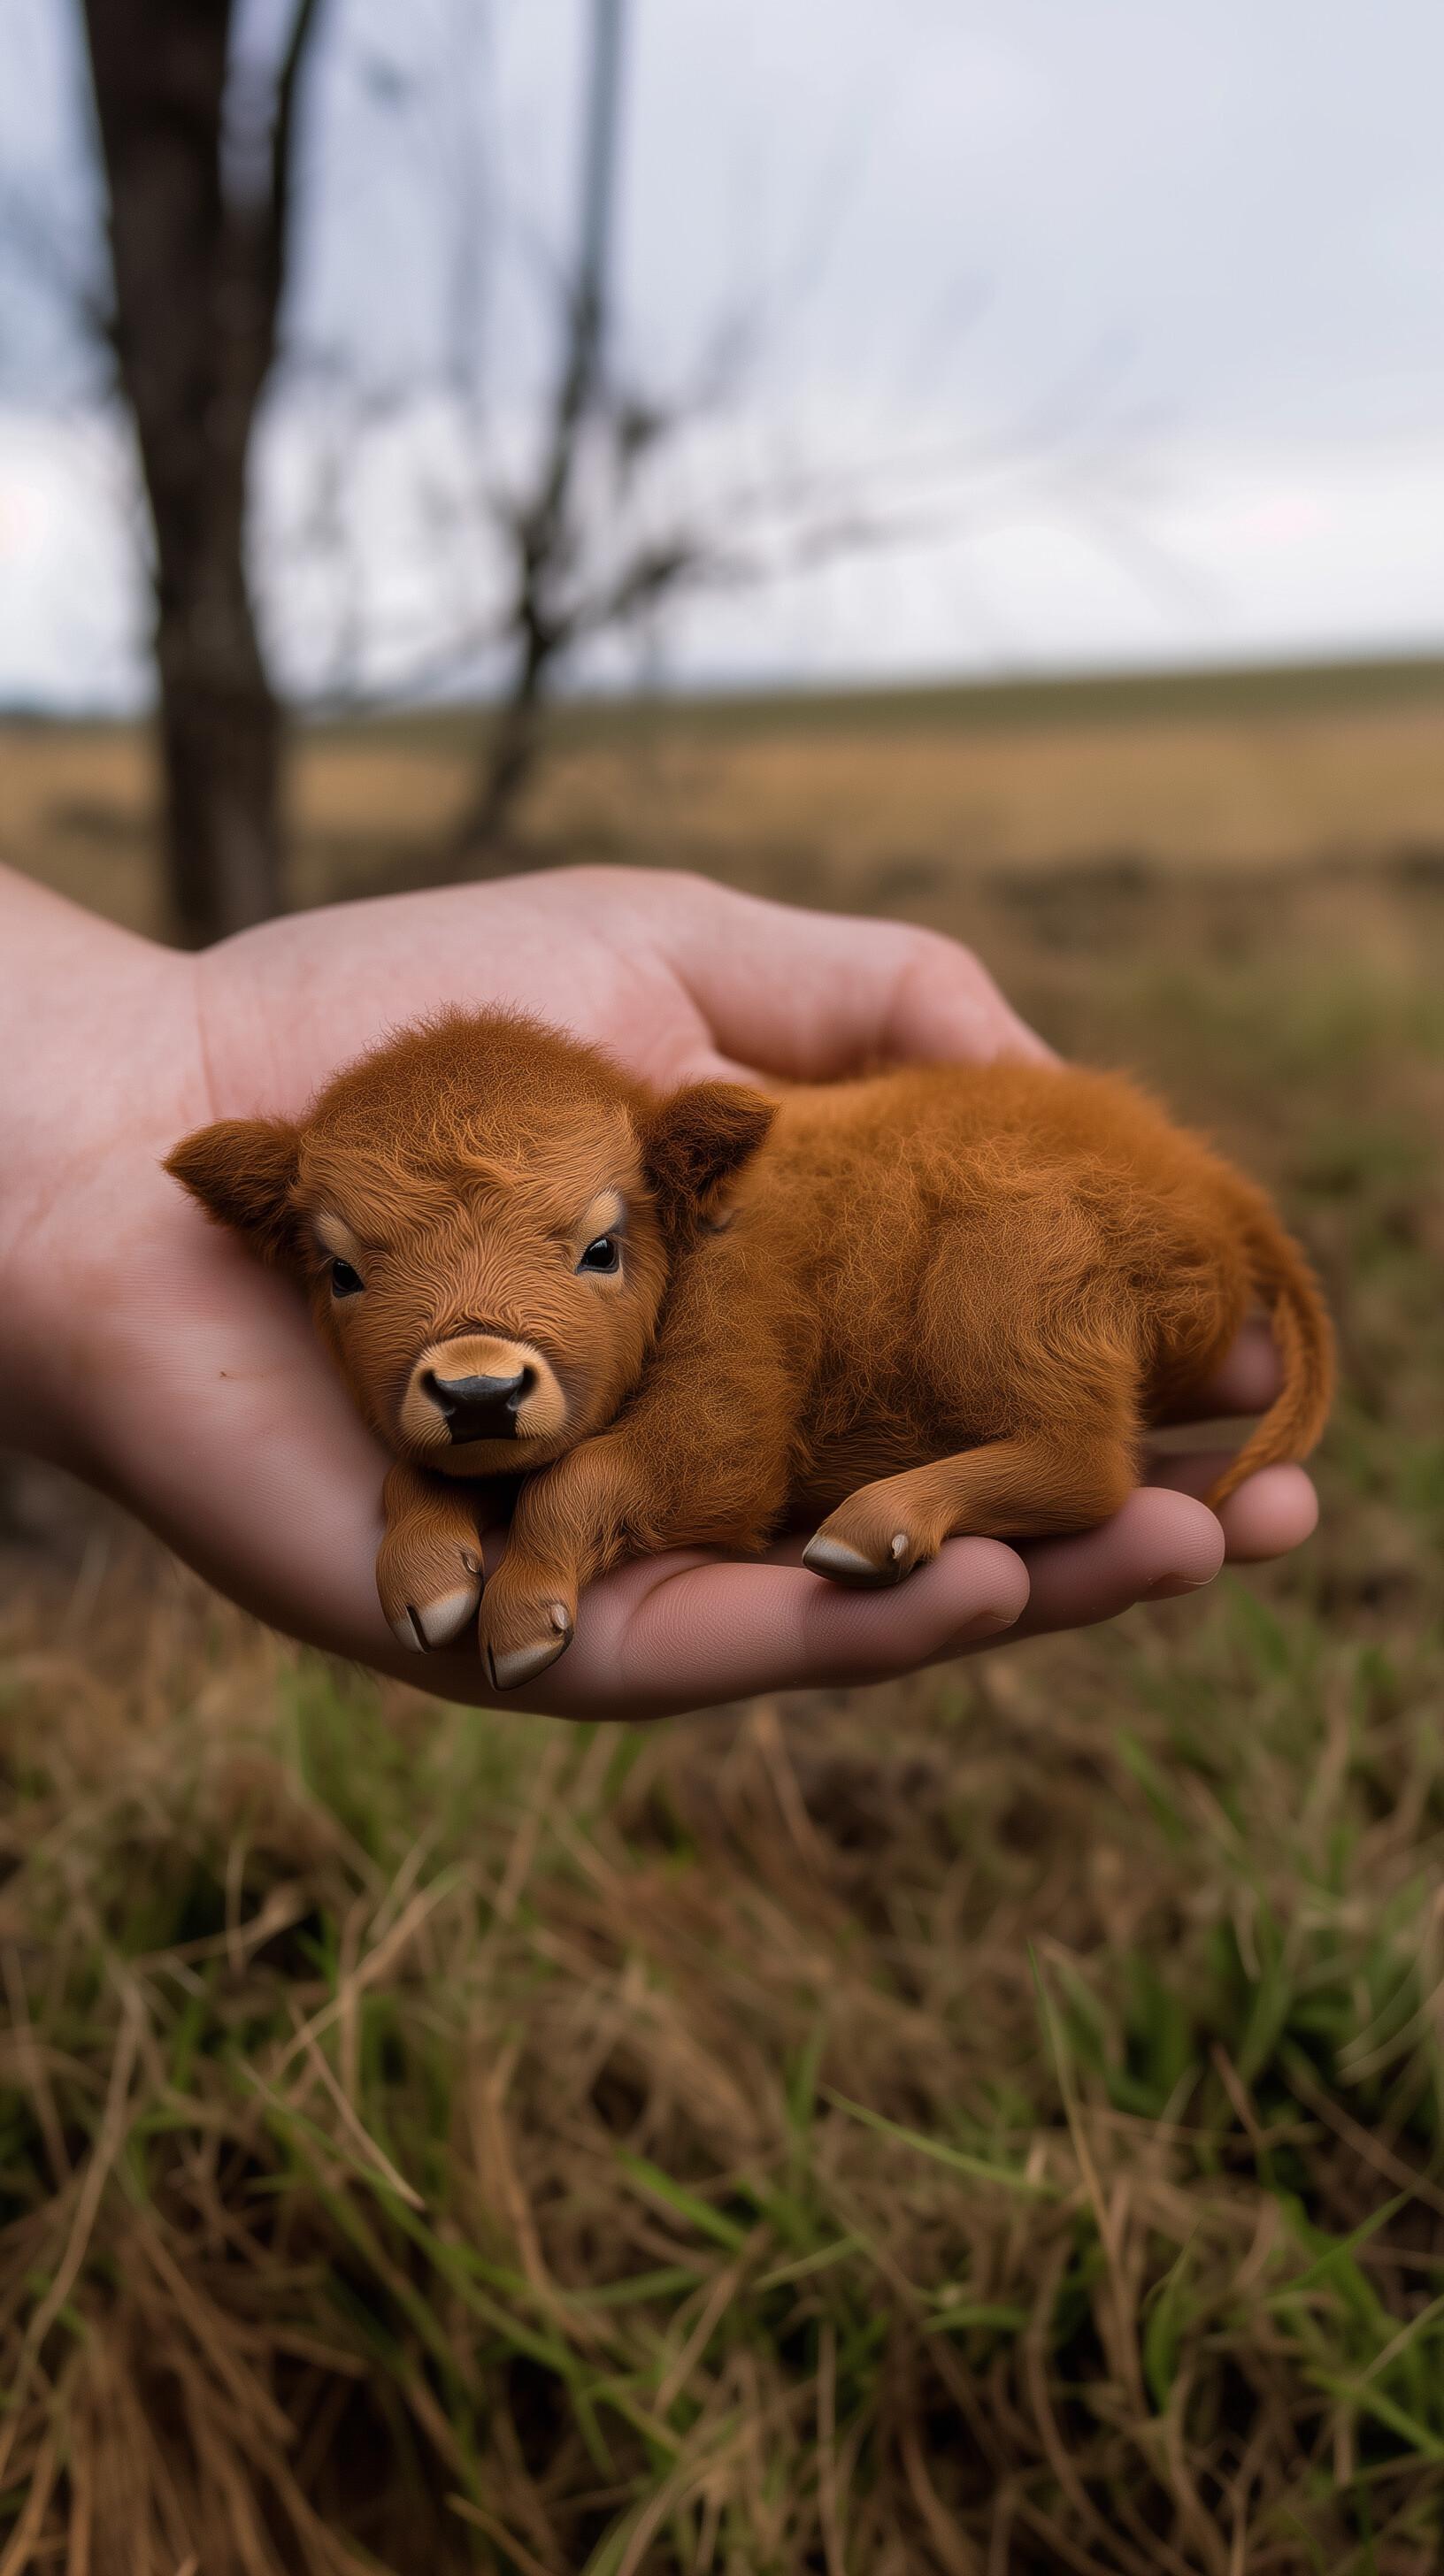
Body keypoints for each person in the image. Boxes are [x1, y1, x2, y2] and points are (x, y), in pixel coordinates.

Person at [0, 860, 1317, 1720]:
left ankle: (1041, 1464)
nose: (469, 1350)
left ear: (681, 1188)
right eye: (353, 1270)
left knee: (1004, 1232)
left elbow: (720, 1460)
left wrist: (564, 1528)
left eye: (589, 1253)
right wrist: (422, 1503)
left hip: (1085, 1212)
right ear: (285, 1240)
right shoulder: (580, 1263)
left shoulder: (723, 1238)